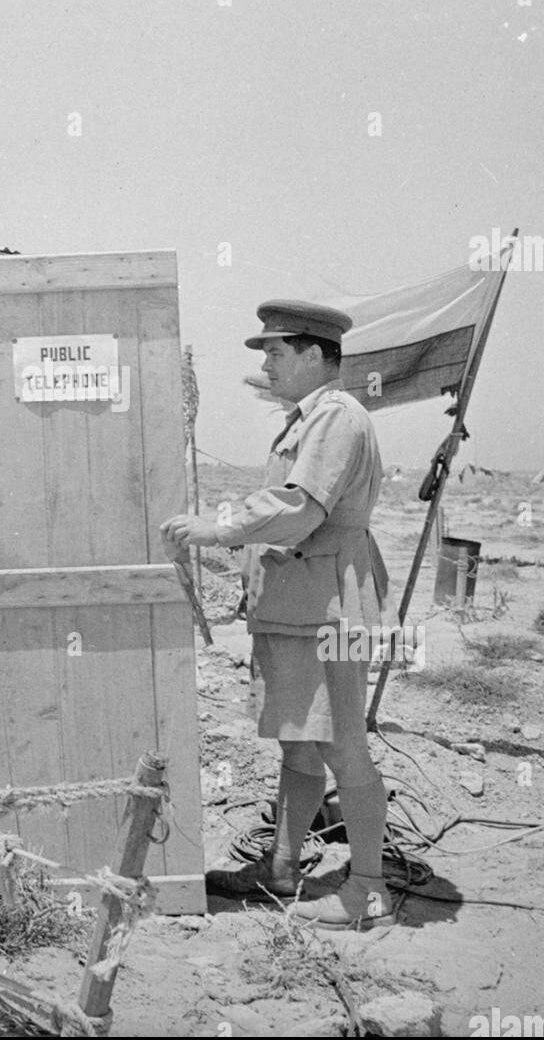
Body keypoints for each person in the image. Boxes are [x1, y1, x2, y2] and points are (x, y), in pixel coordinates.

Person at [160, 299, 395, 930]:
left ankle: (368, 889)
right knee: (300, 740)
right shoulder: (307, 417)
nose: (267, 362)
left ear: (316, 355)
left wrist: (220, 528)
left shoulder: (337, 418)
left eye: (276, 351)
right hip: (300, 604)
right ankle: (283, 869)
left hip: (331, 606)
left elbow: (299, 506)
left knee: (342, 746)